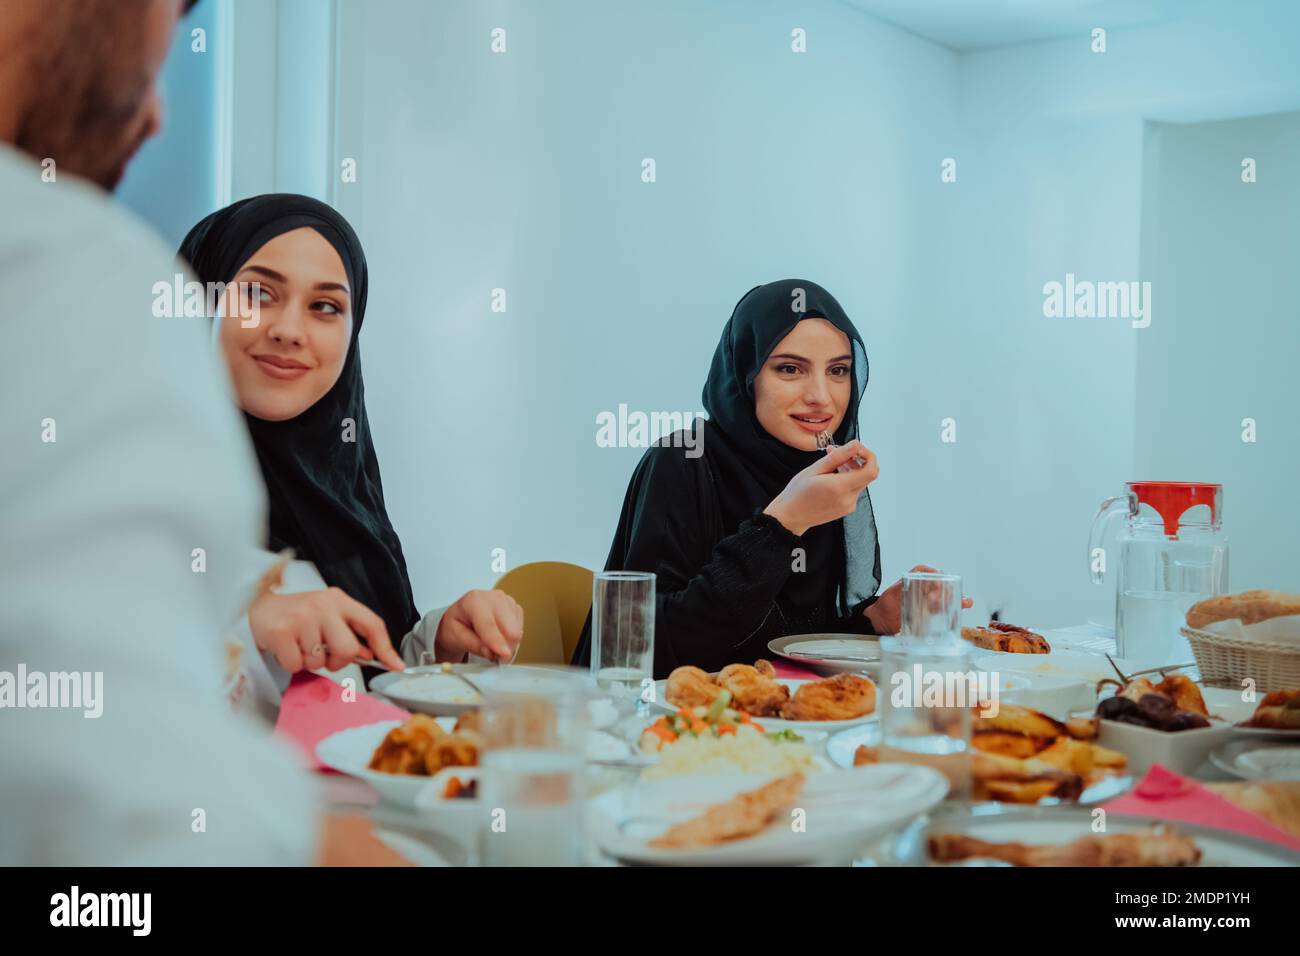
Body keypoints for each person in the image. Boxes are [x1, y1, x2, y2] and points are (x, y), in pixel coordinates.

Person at [0, 0, 317, 863]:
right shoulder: (77, 277)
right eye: (170, 14)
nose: (157, 113)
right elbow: (130, 833)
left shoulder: (350, 486)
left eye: (330, 308)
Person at [178, 194, 523, 691]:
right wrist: (248, 625)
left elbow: (362, 691)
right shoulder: (119, 482)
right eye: (258, 294)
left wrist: (438, 646)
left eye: (324, 306)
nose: (289, 330)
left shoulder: (343, 501)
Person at [573, 279, 966, 677]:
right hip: (679, 726)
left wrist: (875, 620)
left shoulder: (822, 470)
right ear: (746, 374)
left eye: (838, 371)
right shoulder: (682, 459)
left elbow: (789, 648)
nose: (821, 396)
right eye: (790, 368)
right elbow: (645, 649)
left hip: (792, 727)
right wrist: (781, 525)